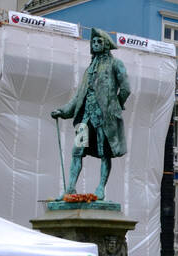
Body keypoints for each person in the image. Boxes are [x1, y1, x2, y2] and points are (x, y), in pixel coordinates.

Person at [50, 28, 131, 201]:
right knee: (77, 151)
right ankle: (70, 188)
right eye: (93, 42)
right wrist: (63, 111)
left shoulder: (116, 64)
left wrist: (115, 105)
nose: (95, 44)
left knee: (104, 153)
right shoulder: (89, 69)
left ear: (107, 44)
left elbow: (126, 89)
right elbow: (79, 96)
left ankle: (100, 188)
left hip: (104, 118)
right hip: (85, 118)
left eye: (99, 41)